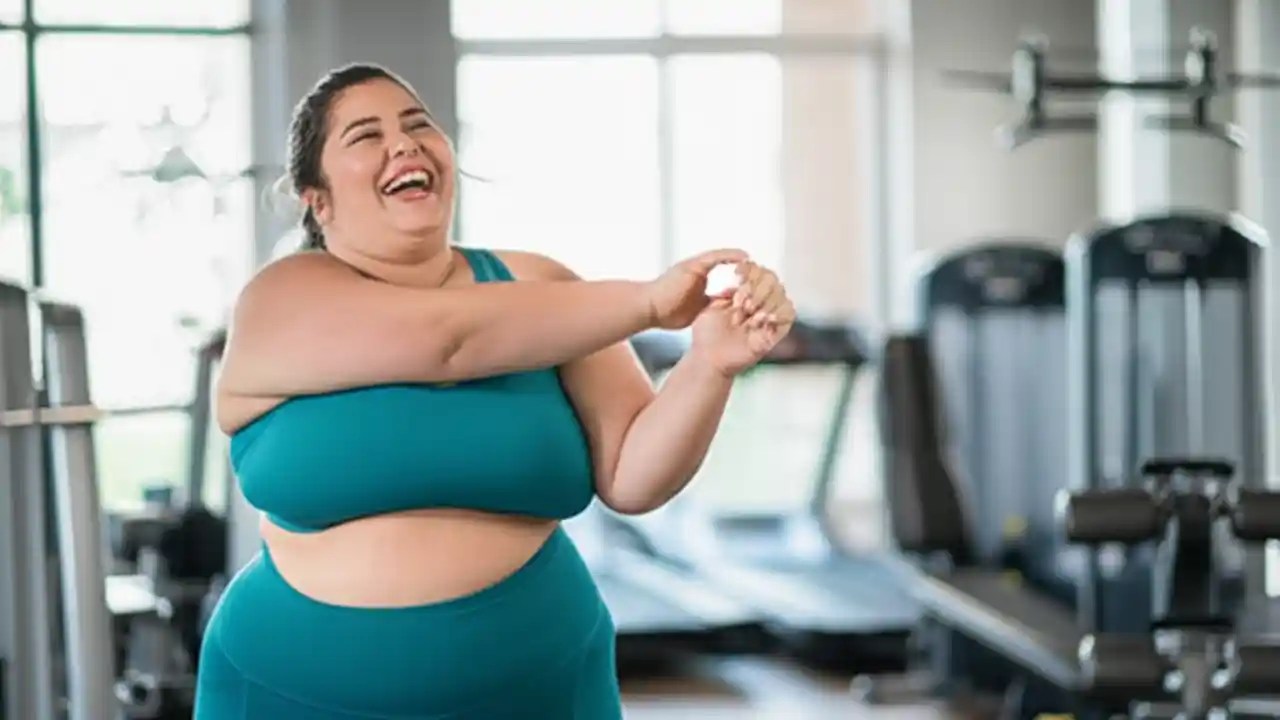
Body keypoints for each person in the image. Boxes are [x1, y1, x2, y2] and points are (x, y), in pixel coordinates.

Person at [194, 62, 796, 719]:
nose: (404, 143)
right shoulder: (281, 300)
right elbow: (445, 341)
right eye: (366, 136)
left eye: (419, 124)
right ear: (319, 199)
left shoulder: (541, 284)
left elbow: (633, 476)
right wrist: (649, 302)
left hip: (540, 682)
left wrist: (710, 364)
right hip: (291, 690)